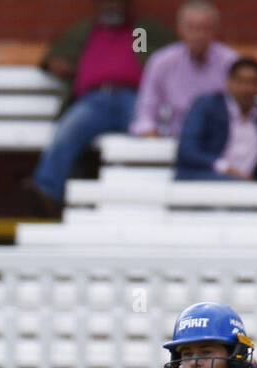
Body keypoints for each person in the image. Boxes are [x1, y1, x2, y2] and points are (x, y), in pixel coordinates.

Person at [26, 0, 176, 213]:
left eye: (118, 3)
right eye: (107, 2)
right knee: (67, 131)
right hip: (93, 100)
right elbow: (54, 58)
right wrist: (58, 65)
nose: (112, 6)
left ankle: (151, 199)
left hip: (134, 99)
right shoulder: (85, 31)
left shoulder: (141, 31)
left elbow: (172, 56)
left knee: (148, 138)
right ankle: (47, 191)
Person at [128, 1, 237, 139]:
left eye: (205, 28)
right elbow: (146, 109)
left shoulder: (230, 62)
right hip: (172, 138)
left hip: (218, 140)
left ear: (215, 30)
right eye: (192, 28)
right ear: (180, 29)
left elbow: (238, 112)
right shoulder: (161, 61)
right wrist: (149, 131)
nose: (199, 35)